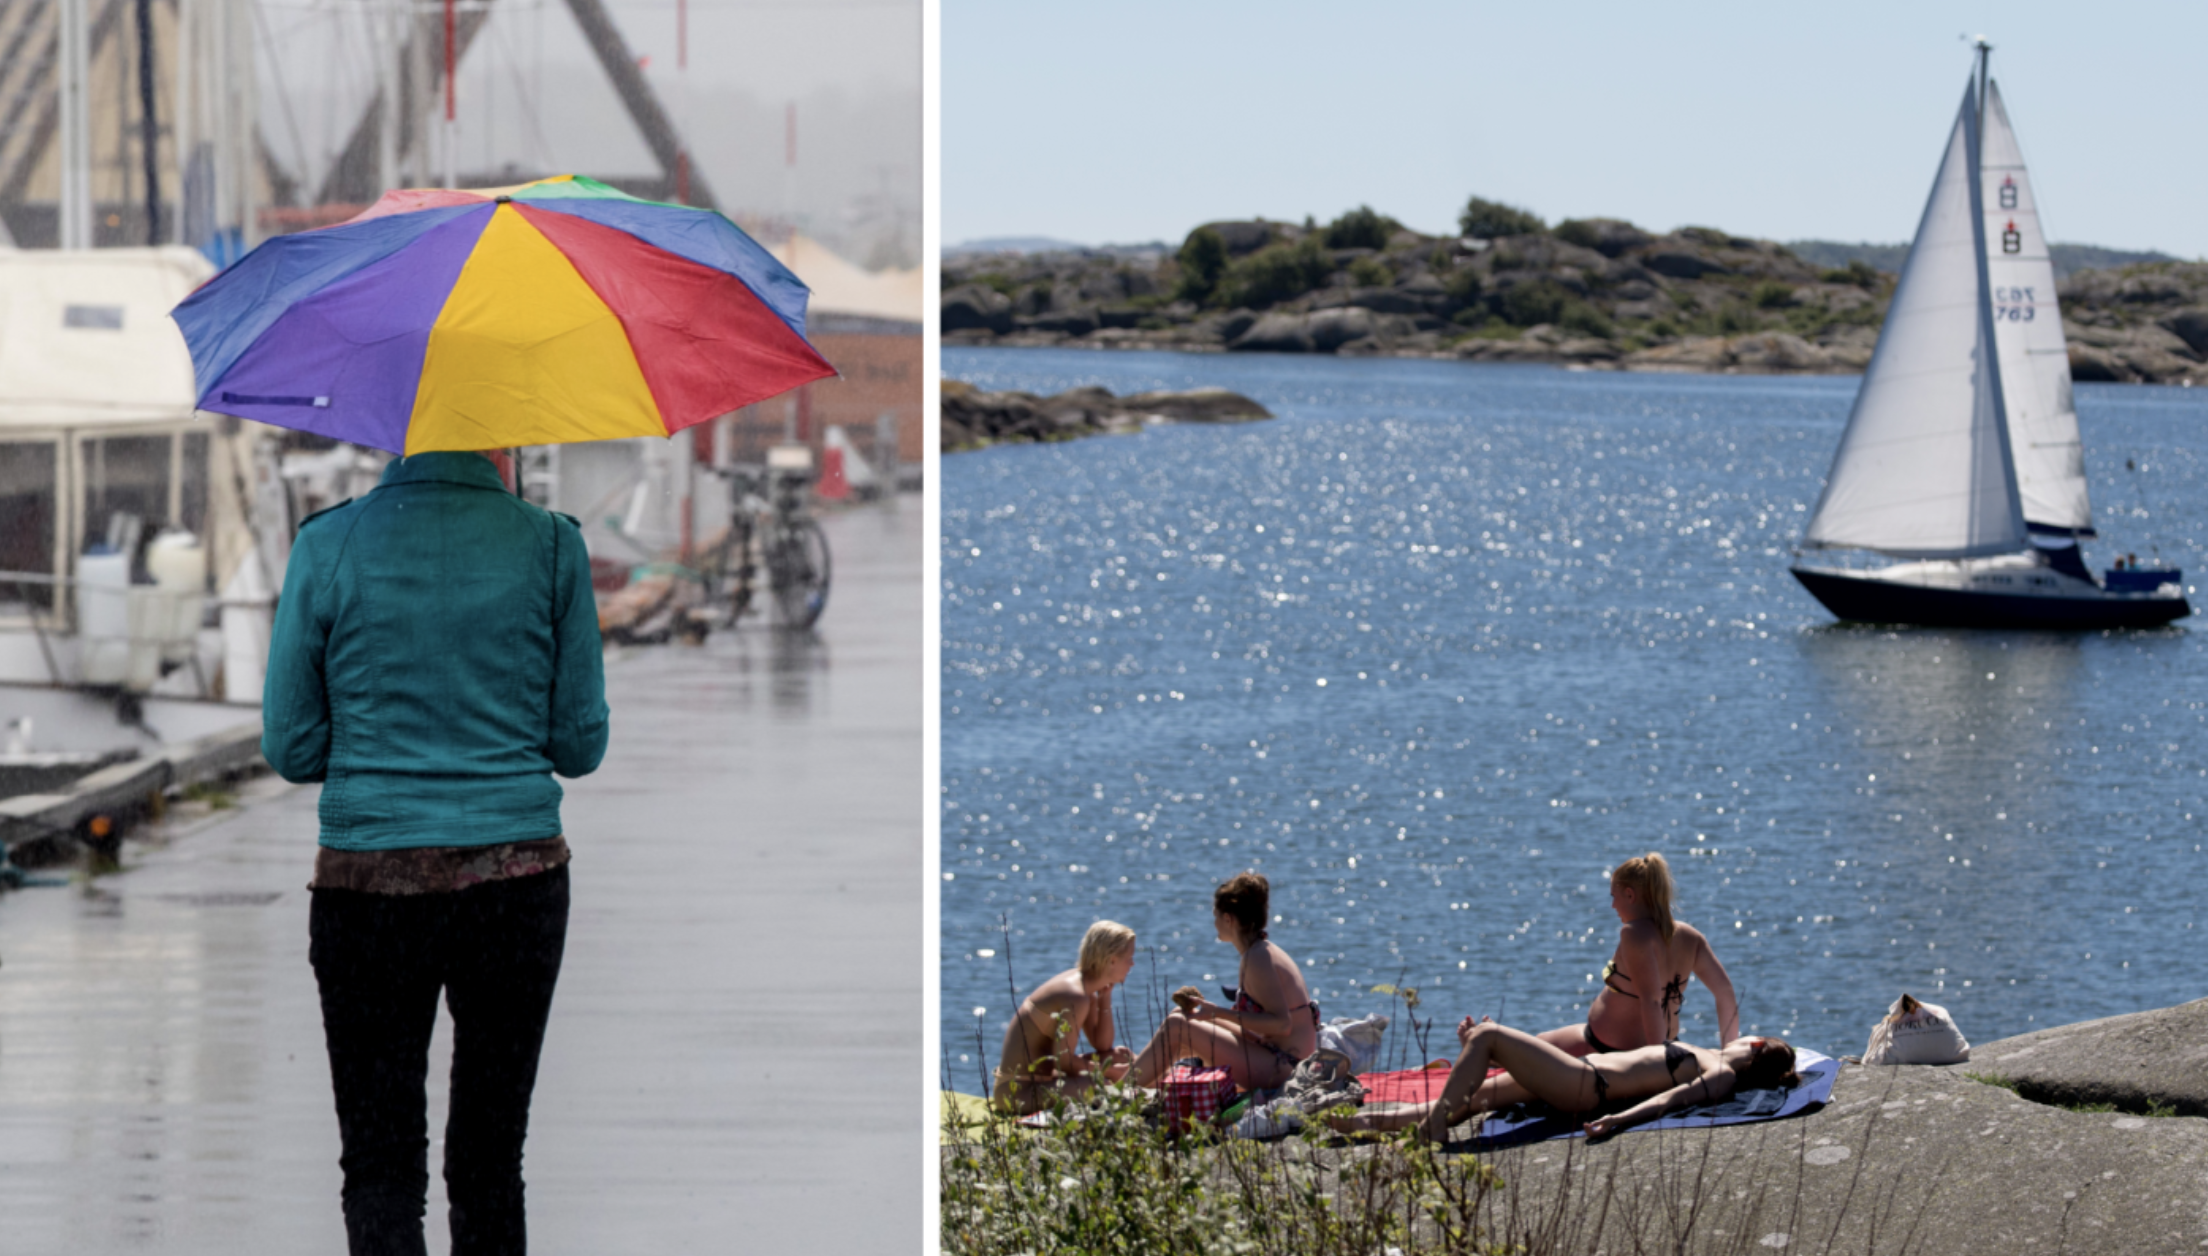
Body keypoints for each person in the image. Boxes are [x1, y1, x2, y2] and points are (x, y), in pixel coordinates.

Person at [262, 449, 608, 1256]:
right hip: (515, 887)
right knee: (490, 1161)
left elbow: (291, 746)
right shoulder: (553, 546)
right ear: (504, 439)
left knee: (380, 1166)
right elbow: (579, 743)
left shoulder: (327, 545)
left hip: (368, 887)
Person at [1333, 1017, 1800, 1142]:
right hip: (1576, 1081)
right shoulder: (1712, 1058)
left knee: (1491, 1036)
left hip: (1583, 1085)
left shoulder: (1718, 1071)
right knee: (1471, 1099)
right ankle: (1353, 1126)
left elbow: (1670, 1103)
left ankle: (1434, 1123)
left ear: (1755, 1045)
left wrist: (1616, 1121)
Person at [1129, 871, 1318, 1091]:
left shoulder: (1257, 959)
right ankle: (1143, 1090)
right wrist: (1210, 1015)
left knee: (1177, 1026)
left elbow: (1282, 1025)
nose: (1215, 922)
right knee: (1182, 1018)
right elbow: (1267, 1029)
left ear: (1228, 919)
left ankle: (1121, 1093)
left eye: (1215, 916)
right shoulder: (1260, 951)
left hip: (1284, 1068)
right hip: (1276, 1056)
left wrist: (1218, 1013)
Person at [1537, 852, 1738, 1058]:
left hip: (1613, 1050)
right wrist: (1730, 1053)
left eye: (1614, 897)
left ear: (1630, 895)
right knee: (1537, 1043)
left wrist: (1658, 1065)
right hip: (1663, 1043)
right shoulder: (1691, 936)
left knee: (1525, 1053)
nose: (1613, 906)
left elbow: (1651, 1001)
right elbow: (1725, 992)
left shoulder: (1633, 934)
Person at [991, 920, 1139, 1114]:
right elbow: (1065, 1062)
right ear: (1112, 960)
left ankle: (1156, 1085)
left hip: (1044, 1081)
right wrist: (1112, 1071)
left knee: (1119, 1055)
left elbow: (1102, 1045)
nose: (1132, 964)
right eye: (1129, 958)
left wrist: (1105, 997)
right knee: (1097, 1084)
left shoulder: (1086, 986)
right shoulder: (1075, 995)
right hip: (1017, 1092)